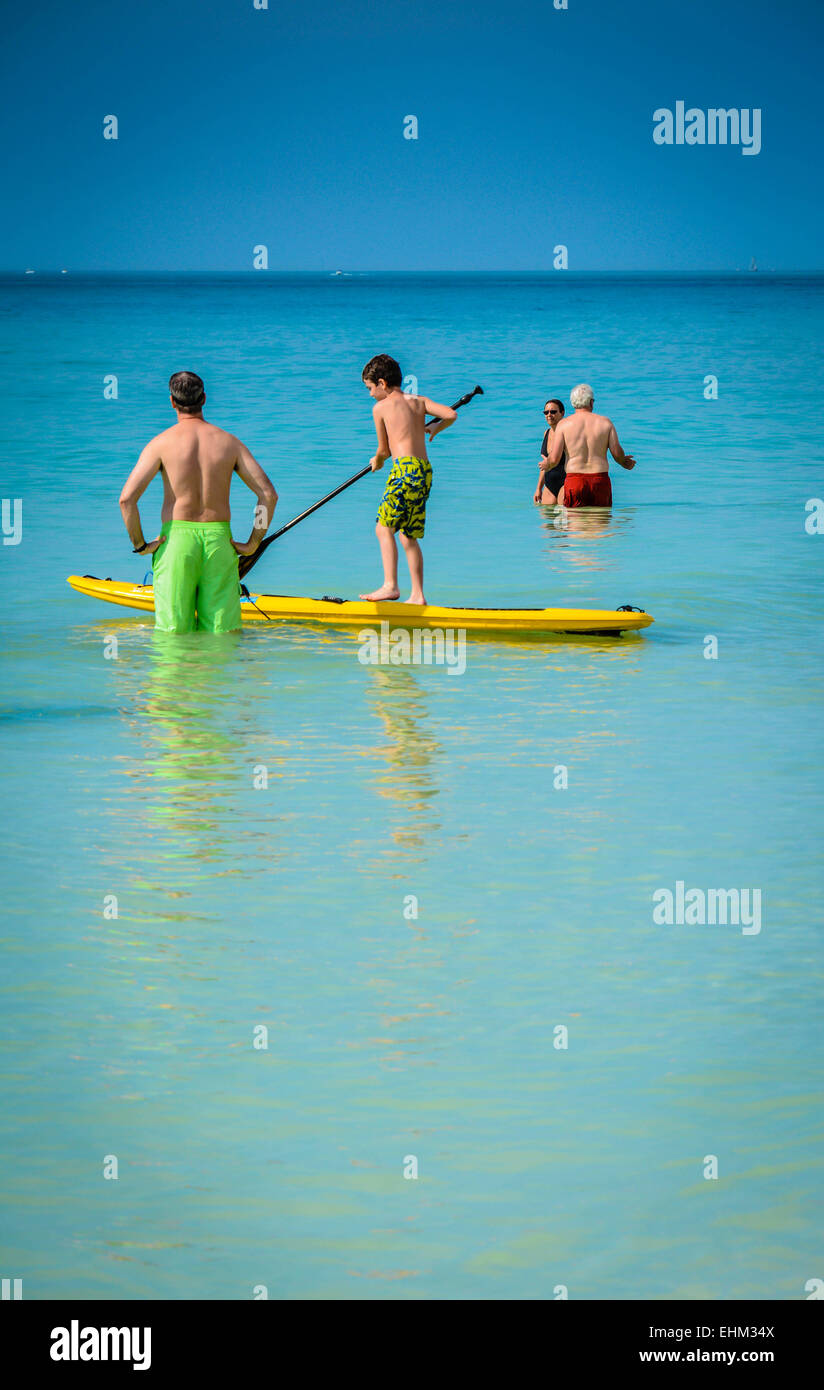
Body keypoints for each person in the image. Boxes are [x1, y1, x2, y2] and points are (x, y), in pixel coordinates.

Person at [119, 371, 278, 633]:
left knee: (173, 633)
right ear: (204, 398)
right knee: (221, 633)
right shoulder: (230, 443)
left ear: (172, 401)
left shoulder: (160, 444)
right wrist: (252, 542)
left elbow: (127, 500)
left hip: (176, 543)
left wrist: (141, 545)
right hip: (219, 543)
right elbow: (268, 495)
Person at [359, 354, 457, 605]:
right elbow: (450, 414)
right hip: (424, 472)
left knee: (383, 528)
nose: (370, 394)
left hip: (403, 471)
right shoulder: (419, 401)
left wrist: (377, 460)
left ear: (381, 383)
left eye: (370, 388)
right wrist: (435, 428)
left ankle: (390, 585)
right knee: (407, 535)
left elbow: (385, 450)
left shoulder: (380, 408)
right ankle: (418, 595)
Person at [547, 383, 635, 507]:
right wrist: (624, 462)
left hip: (575, 480)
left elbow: (554, 459)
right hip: (600, 480)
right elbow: (617, 454)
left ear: (573, 403)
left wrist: (547, 463)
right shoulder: (605, 423)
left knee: (575, 525)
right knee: (600, 523)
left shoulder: (564, 425)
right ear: (591, 402)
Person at [533, 398, 567, 504]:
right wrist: (538, 488)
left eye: (553, 412)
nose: (549, 415)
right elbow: (545, 463)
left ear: (562, 413)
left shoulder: (568, 433)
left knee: (565, 517)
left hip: (565, 482)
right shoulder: (546, 433)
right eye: (546, 412)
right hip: (549, 484)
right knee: (546, 518)